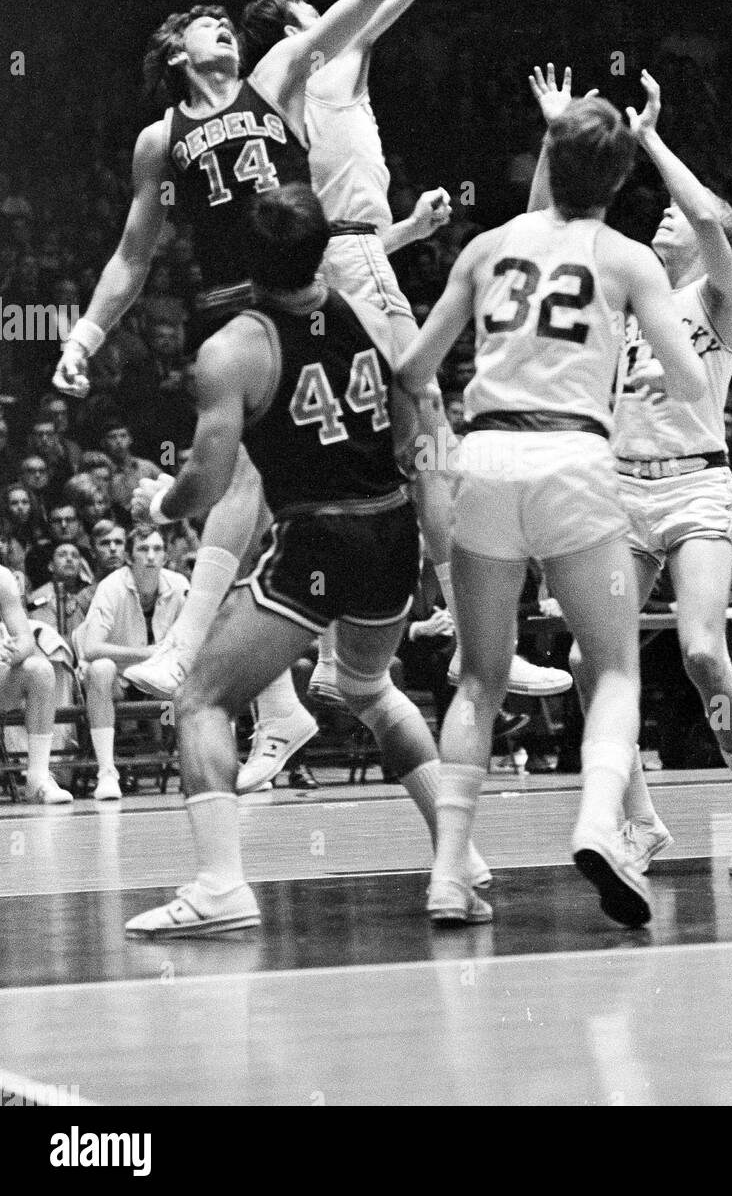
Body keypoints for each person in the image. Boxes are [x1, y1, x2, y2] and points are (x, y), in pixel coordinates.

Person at [51, 0, 405, 763]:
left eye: (225, 20)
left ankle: (218, 654)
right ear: (178, 53)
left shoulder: (278, 78)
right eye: (209, 22)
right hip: (230, 316)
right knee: (257, 494)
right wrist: (86, 333)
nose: (225, 27)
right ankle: (288, 692)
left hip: (302, 299)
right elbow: (134, 256)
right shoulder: (159, 138)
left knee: (294, 474)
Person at [236, 0, 569, 744]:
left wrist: (405, 235)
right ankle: (466, 636)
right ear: (297, 29)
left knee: (335, 460)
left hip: (330, 262)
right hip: (348, 257)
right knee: (431, 431)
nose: (334, 9)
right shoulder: (326, 55)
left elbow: (332, 236)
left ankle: (293, 679)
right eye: (315, 7)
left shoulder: (271, 98)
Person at [124, 184, 489, 935]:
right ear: (322, 249)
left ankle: (221, 886)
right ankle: (460, 857)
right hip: (391, 535)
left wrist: (158, 502)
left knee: (201, 698)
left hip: (317, 540)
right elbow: (416, 439)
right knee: (370, 687)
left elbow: (208, 484)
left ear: (242, 264)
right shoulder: (381, 324)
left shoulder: (232, 350)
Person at [398, 94, 707, 928]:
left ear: (547, 157)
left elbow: (413, 365)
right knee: (612, 670)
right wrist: (625, 371)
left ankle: (446, 877)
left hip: (486, 457)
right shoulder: (629, 259)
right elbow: (689, 382)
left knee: (479, 681)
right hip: (573, 458)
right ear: (618, 180)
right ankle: (599, 824)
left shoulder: (488, 247)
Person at [529, 67, 732, 877]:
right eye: (667, 211)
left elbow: (708, 212)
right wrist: (557, 133)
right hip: (622, 491)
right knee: (583, 661)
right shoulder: (631, 294)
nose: (669, 217)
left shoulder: (718, 297)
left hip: (694, 489)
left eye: (675, 213)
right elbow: (543, 232)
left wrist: (645, 138)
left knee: (702, 651)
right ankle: (640, 822)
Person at [73, 526, 188, 801]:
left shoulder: (180, 586)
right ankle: (107, 772)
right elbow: (91, 648)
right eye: (143, 549)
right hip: (119, 679)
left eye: (157, 549)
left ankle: (196, 767)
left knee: (201, 672)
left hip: (161, 679)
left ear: (166, 556)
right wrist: (146, 654)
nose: (151, 556)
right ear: (129, 557)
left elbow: (192, 640)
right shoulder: (111, 587)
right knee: (101, 668)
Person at [0, 563, 63, 803]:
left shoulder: (3, 578)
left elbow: (25, 640)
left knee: (40, 670)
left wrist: (8, 653)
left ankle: (38, 779)